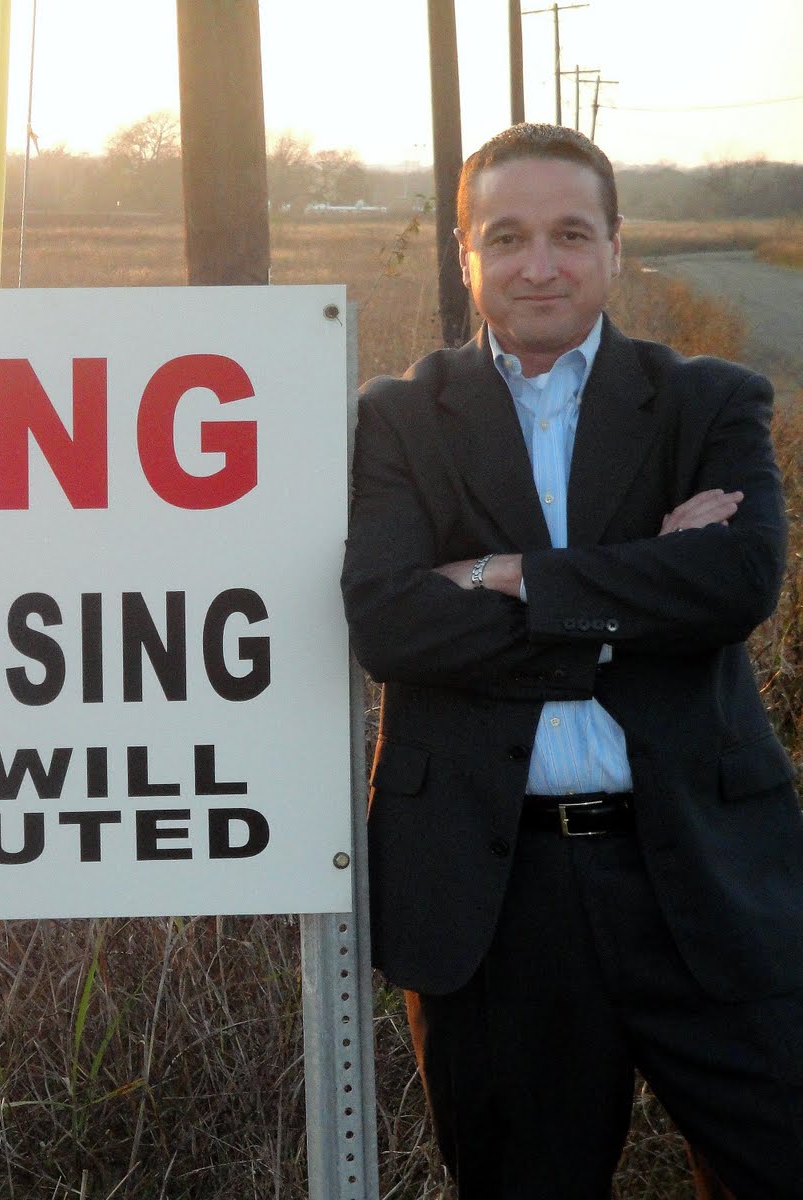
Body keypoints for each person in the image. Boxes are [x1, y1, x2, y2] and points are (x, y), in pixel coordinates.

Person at [340, 122, 803, 1199]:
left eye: (568, 234)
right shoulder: (397, 418)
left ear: (612, 244)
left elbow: (735, 585)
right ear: (465, 254)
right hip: (495, 900)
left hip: (702, 872)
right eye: (505, 237)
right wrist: (636, 589)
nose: (537, 264)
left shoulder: (708, 400)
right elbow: (390, 624)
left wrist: (500, 575)